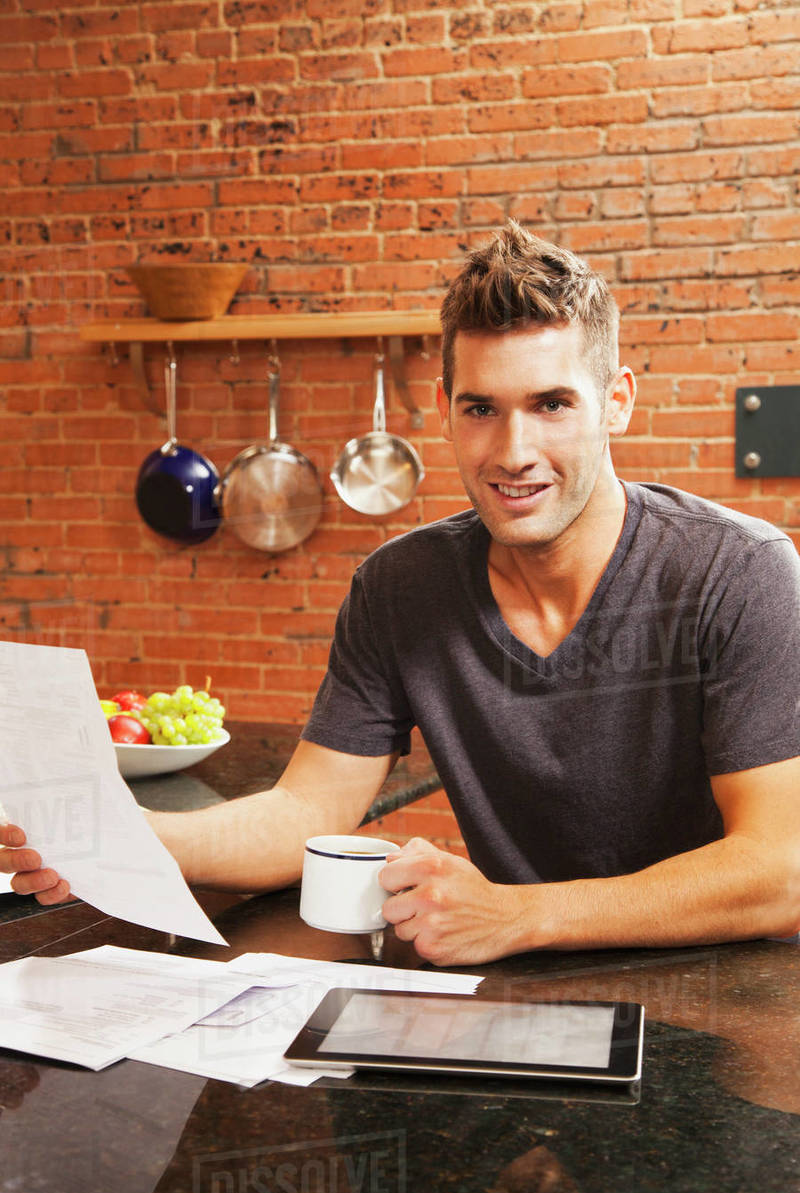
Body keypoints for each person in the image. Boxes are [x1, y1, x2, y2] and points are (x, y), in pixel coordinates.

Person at [3, 222, 799, 965]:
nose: (514, 451)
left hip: (726, 998)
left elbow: (780, 869)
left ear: (616, 401)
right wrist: (127, 836)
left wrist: (525, 913)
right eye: (481, 409)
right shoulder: (401, 588)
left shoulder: (737, 574)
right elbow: (303, 815)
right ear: (446, 414)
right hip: (519, 983)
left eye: (552, 405)